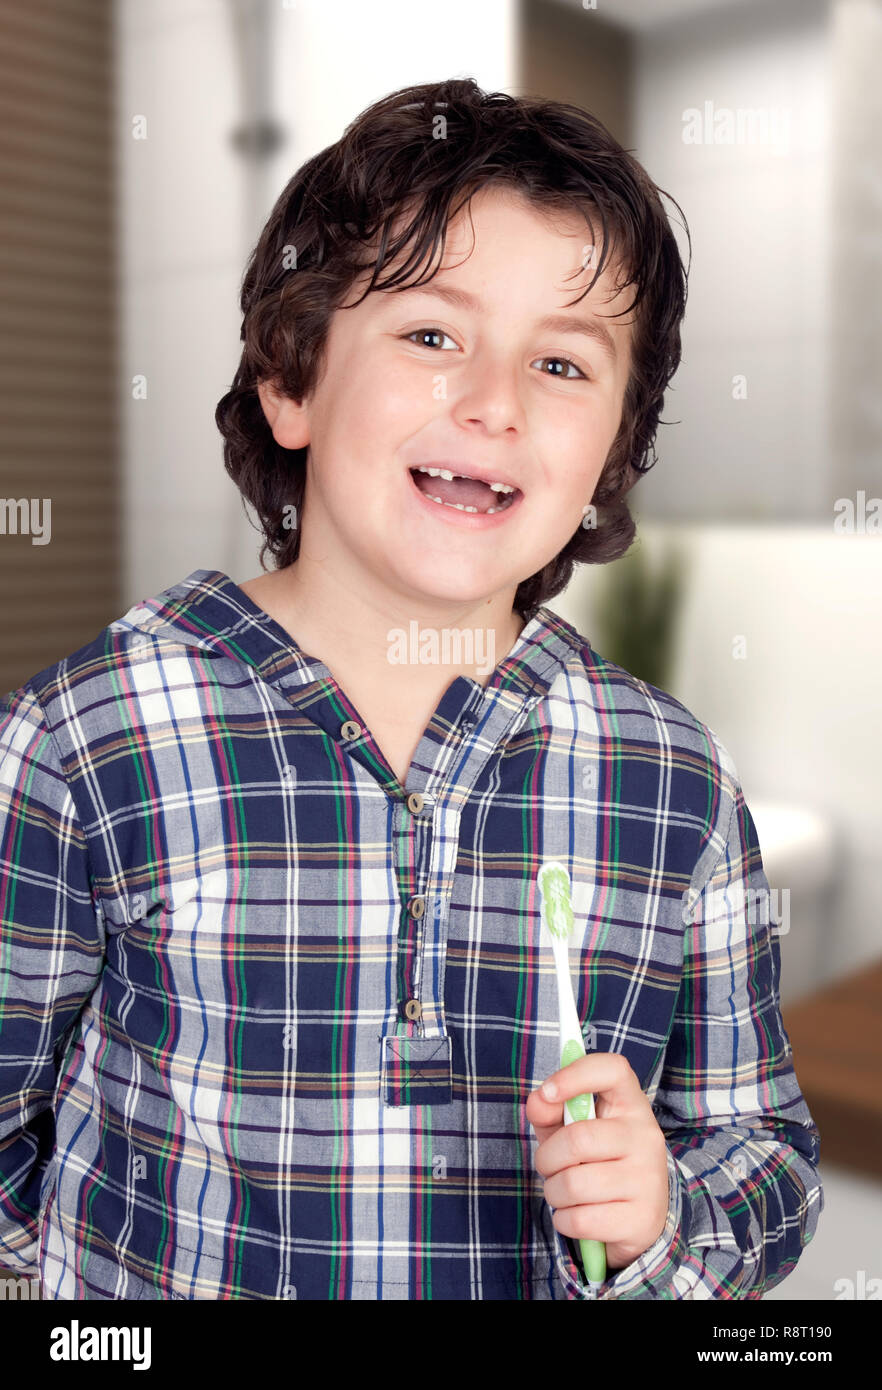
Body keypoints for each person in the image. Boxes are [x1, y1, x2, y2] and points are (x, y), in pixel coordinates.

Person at [0, 77, 822, 1300]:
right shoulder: (89, 737)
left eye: (561, 362)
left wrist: (667, 1216)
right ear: (291, 380)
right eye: (432, 335)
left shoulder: (672, 782)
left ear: (611, 452)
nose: (494, 403)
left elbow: (766, 1154)